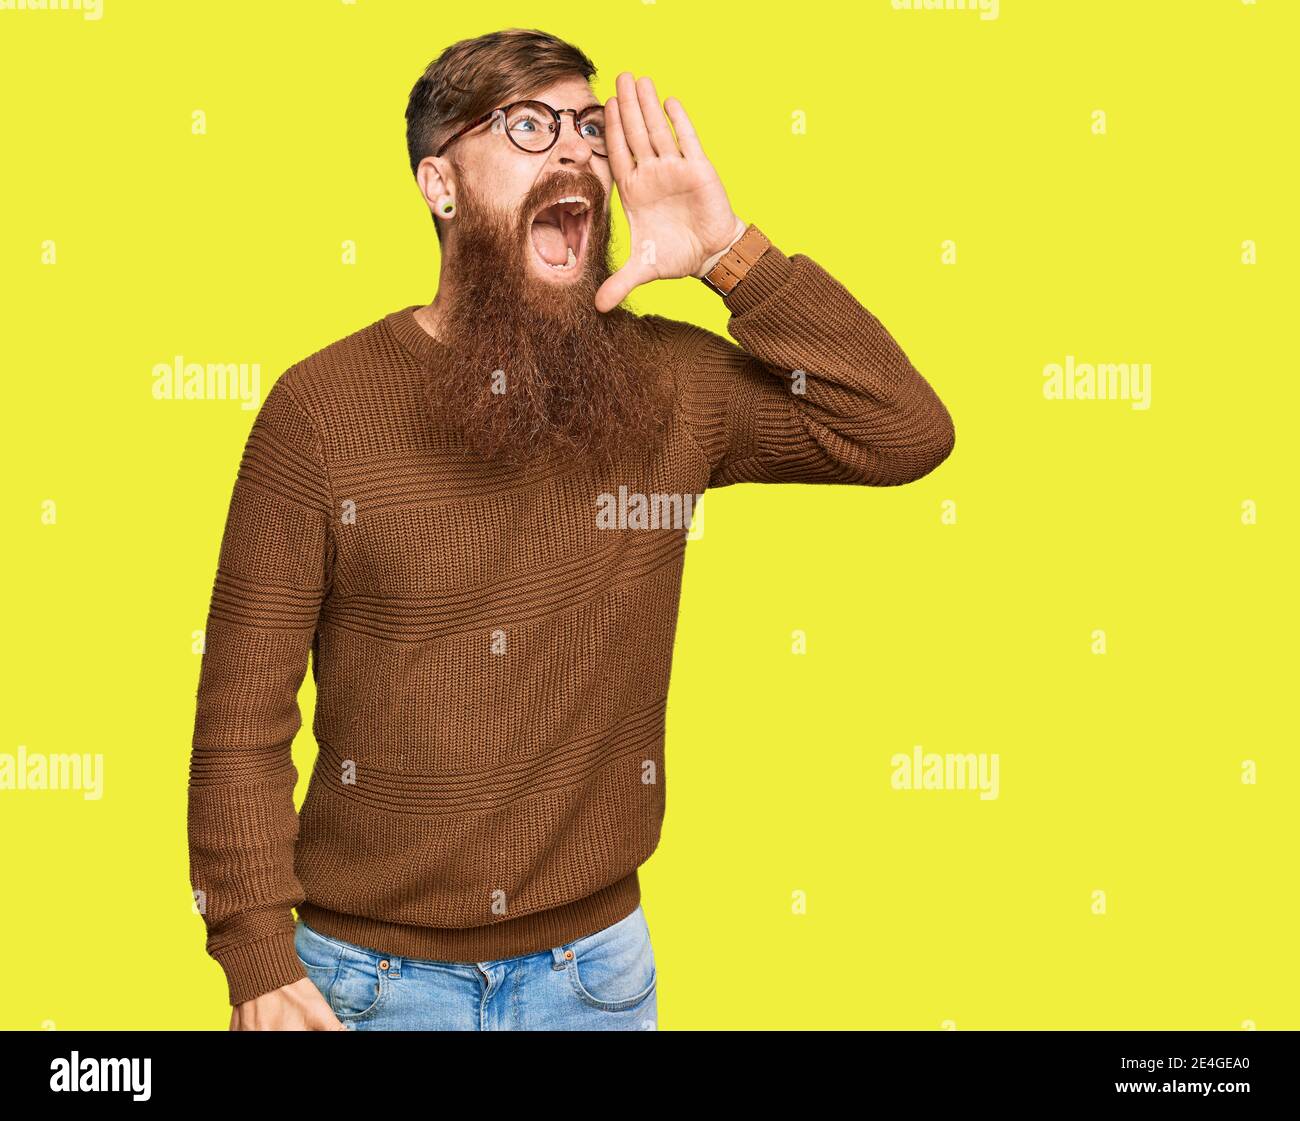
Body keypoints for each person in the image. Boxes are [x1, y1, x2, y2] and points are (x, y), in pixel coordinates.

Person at [187, 27, 956, 1031]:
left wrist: (728, 255)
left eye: (591, 129)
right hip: (364, 983)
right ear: (439, 183)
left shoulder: (671, 382)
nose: (576, 152)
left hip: (594, 977)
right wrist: (254, 952)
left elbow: (902, 430)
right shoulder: (321, 408)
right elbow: (243, 714)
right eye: (528, 124)